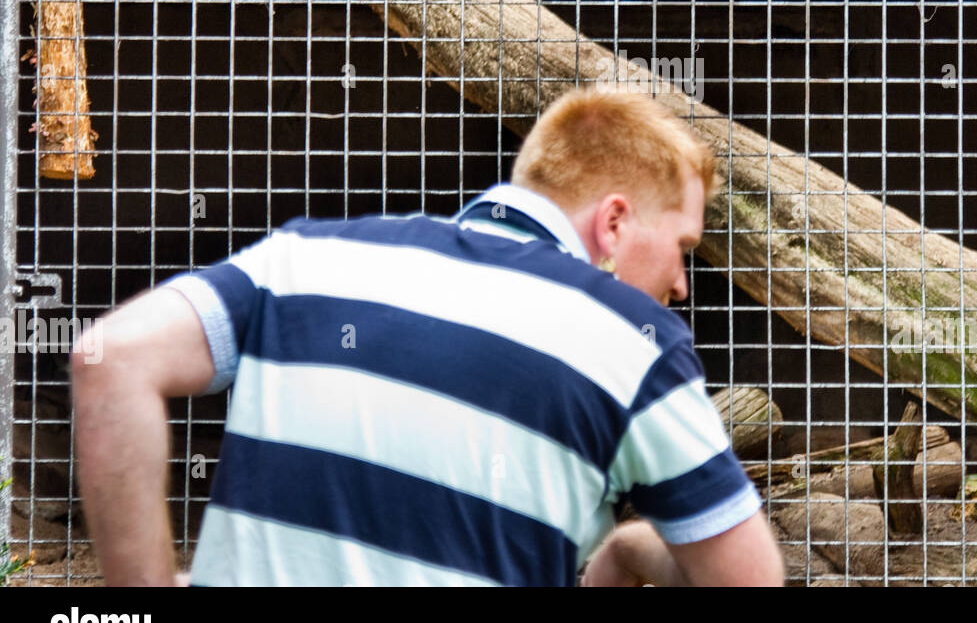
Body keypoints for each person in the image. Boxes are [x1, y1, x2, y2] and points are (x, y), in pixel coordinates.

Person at [70, 86, 785, 587]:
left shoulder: (303, 256)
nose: (683, 284)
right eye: (684, 246)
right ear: (617, 222)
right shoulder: (636, 341)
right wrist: (636, 547)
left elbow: (112, 359)